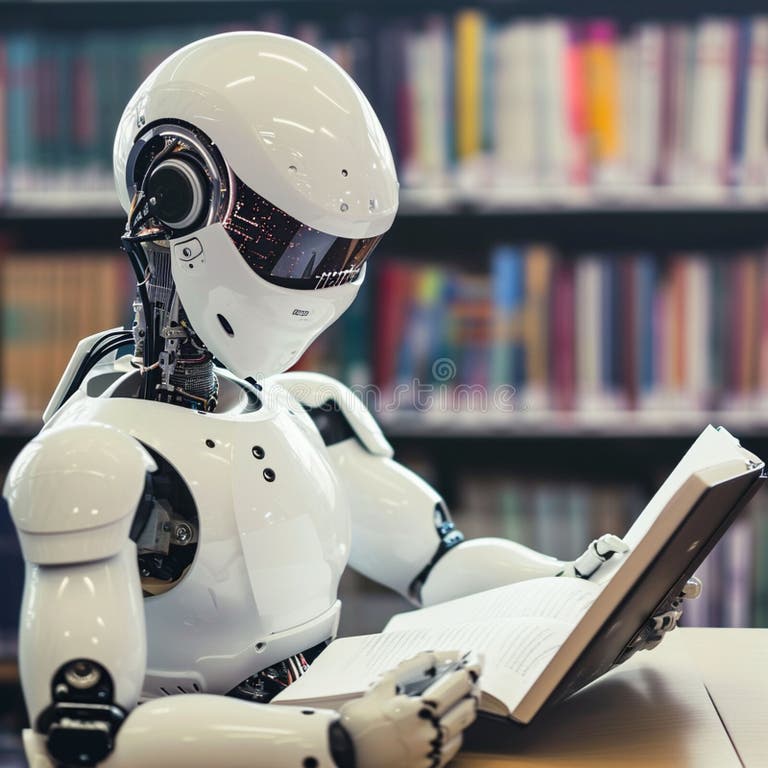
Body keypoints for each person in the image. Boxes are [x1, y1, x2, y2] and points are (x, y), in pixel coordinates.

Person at [8, 32, 680, 768]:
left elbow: (439, 568)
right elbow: (80, 741)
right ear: (177, 196)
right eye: (299, 248)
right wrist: (336, 746)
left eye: (346, 255)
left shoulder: (306, 412)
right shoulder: (89, 465)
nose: (322, 281)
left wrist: (582, 594)